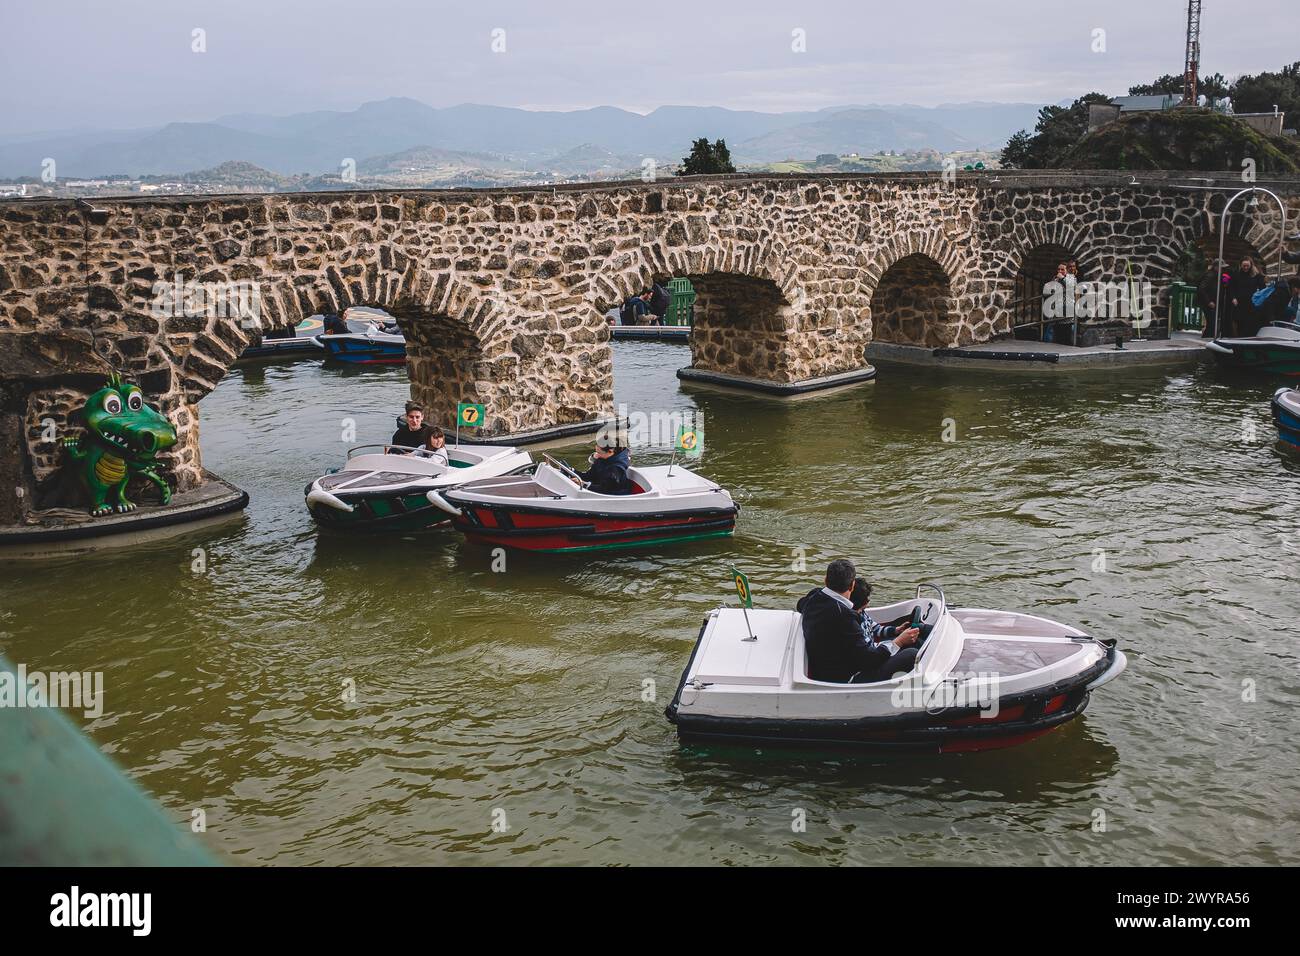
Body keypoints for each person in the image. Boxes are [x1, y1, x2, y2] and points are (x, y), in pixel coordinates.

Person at [796, 560, 921, 684]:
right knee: (911, 654)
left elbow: (800, 605)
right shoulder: (845, 617)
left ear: (825, 580)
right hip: (846, 680)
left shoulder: (812, 598)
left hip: (826, 667)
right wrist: (899, 641)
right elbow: (870, 660)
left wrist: (896, 635)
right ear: (852, 585)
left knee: (906, 641)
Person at [1228, 258, 1266, 338]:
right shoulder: (1236, 274)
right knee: (1239, 322)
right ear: (1241, 265)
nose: (1245, 268)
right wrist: (1233, 298)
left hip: (1251, 303)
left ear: (1251, 265)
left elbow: (1262, 288)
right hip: (1239, 302)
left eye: (1247, 266)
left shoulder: (1256, 275)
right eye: (1244, 266)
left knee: (1249, 322)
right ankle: (1239, 337)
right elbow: (1231, 287)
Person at [1196, 263, 1229, 338]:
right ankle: (1206, 339)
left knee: (1212, 324)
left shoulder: (1218, 275)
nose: (1223, 269)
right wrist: (1208, 302)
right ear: (1216, 267)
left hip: (1215, 302)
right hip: (1210, 303)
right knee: (1212, 324)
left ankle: (1207, 339)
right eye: (1221, 267)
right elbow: (1202, 289)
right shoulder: (1210, 276)